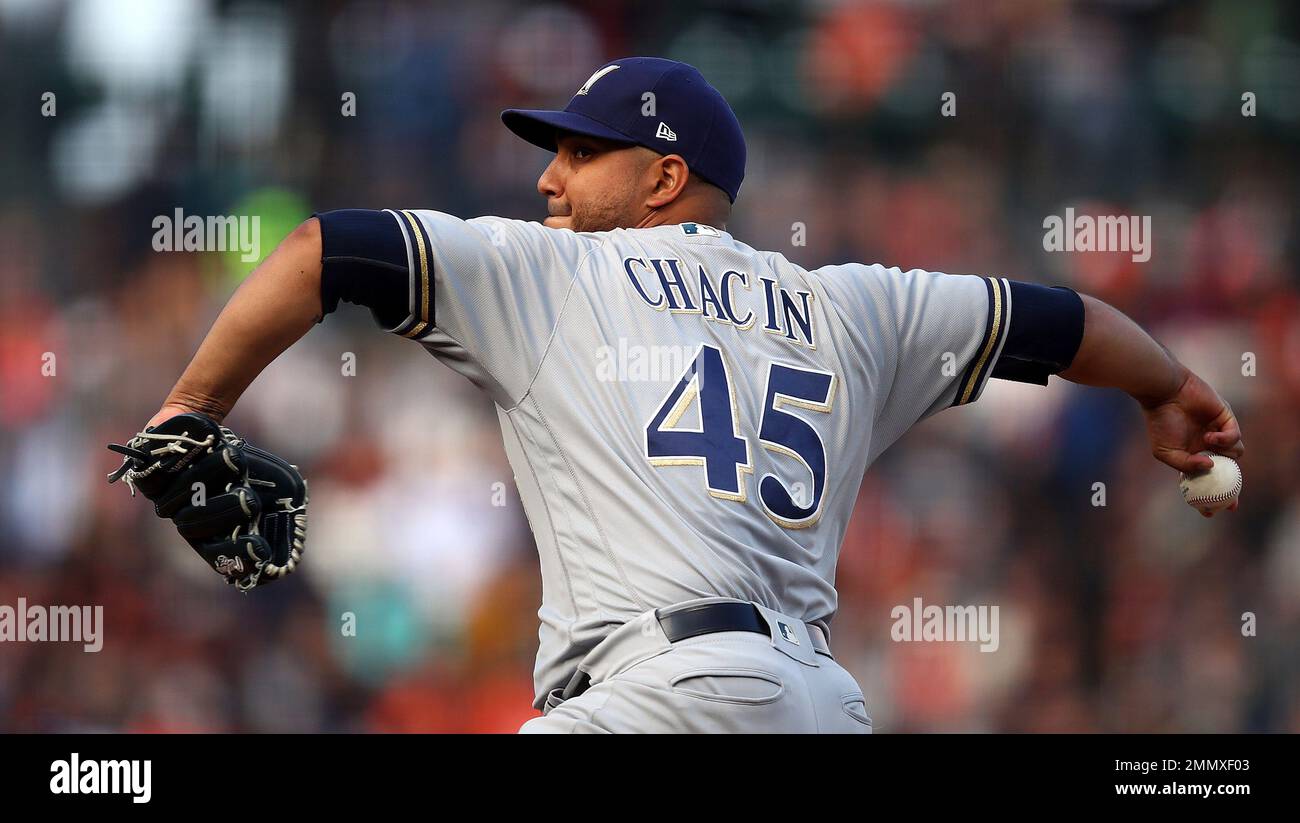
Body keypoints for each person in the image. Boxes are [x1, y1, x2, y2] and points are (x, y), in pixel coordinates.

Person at [115, 57, 1243, 733]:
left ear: (662, 178)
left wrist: (185, 413)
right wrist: (1172, 387)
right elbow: (1060, 320)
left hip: (662, 694)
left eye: (581, 152)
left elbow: (322, 250)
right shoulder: (854, 305)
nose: (549, 177)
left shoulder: (553, 271)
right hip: (822, 704)